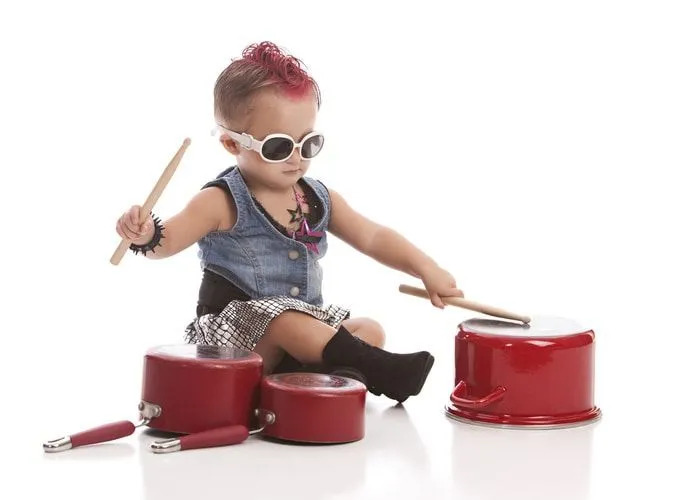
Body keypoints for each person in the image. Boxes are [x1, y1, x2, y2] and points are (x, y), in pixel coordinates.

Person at [116, 41, 463, 403]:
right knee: (285, 320)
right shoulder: (221, 200)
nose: (297, 159)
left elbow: (372, 236)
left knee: (367, 329)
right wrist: (146, 233)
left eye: (308, 143)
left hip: (301, 333)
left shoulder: (316, 197)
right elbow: (167, 240)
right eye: (279, 147)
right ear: (233, 145)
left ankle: (311, 379)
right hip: (237, 344)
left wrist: (425, 267)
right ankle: (380, 373)